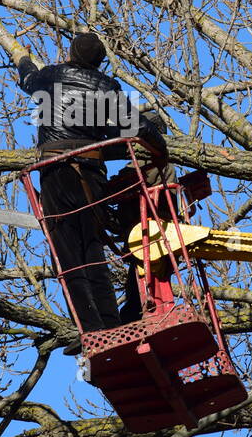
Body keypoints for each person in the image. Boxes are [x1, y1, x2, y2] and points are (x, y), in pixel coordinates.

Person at [17, 33, 168, 344]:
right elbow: (139, 127)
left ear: (71, 53)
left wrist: (22, 61)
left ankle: (91, 330)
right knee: (92, 249)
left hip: (55, 171)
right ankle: (111, 328)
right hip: (91, 174)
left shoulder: (54, 75)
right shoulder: (106, 86)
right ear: (99, 62)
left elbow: (29, 80)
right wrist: (161, 148)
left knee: (69, 254)